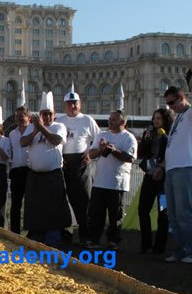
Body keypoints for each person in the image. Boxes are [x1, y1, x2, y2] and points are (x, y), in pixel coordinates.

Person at [162, 59, 192, 263]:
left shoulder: (191, 113)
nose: (170, 107)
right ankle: (181, 249)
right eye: (168, 104)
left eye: (172, 103)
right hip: (173, 169)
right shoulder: (179, 118)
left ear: (182, 98)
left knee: (184, 212)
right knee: (173, 213)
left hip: (185, 168)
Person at [21, 92, 71, 245]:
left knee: (53, 209)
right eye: (44, 114)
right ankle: (37, 239)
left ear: (54, 114)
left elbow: (56, 140)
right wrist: (36, 129)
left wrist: (41, 128)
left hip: (52, 176)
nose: (47, 117)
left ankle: (53, 239)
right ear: (40, 114)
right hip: (36, 176)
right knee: (36, 209)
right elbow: (23, 142)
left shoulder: (59, 126)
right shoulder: (32, 128)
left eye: (49, 114)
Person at [85, 110, 137, 248]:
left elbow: (130, 158)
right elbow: (91, 154)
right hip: (100, 182)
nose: (110, 121)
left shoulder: (129, 138)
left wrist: (114, 151)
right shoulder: (102, 135)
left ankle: (113, 240)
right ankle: (94, 239)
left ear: (123, 122)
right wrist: (101, 150)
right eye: (110, 119)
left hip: (117, 183)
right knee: (96, 213)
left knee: (116, 216)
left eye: (114, 119)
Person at [56, 91, 100, 243]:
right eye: (69, 103)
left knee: (84, 200)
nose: (72, 106)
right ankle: (65, 233)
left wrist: (90, 153)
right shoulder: (59, 121)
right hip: (64, 163)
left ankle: (85, 235)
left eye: (75, 103)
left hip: (81, 162)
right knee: (63, 199)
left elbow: (99, 139)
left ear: (80, 104)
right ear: (65, 105)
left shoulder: (87, 120)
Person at [137, 108, 170, 254]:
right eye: (154, 118)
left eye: (159, 118)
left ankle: (159, 246)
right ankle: (146, 244)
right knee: (143, 209)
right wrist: (146, 140)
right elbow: (141, 152)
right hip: (150, 177)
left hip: (164, 180)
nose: (156, 121)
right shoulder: (149, 133)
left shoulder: (168, 136)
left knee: (163, 212)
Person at [7, 106, 32, 234]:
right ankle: (15, 231)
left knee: (31, 203)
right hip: (16, 170)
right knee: (15, 204)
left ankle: (31, 231)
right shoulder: (12, 133)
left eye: (21, 116)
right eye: (17, 116)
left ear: (28, 117)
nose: (19, 119)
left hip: (30, 170)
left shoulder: (33, 130)